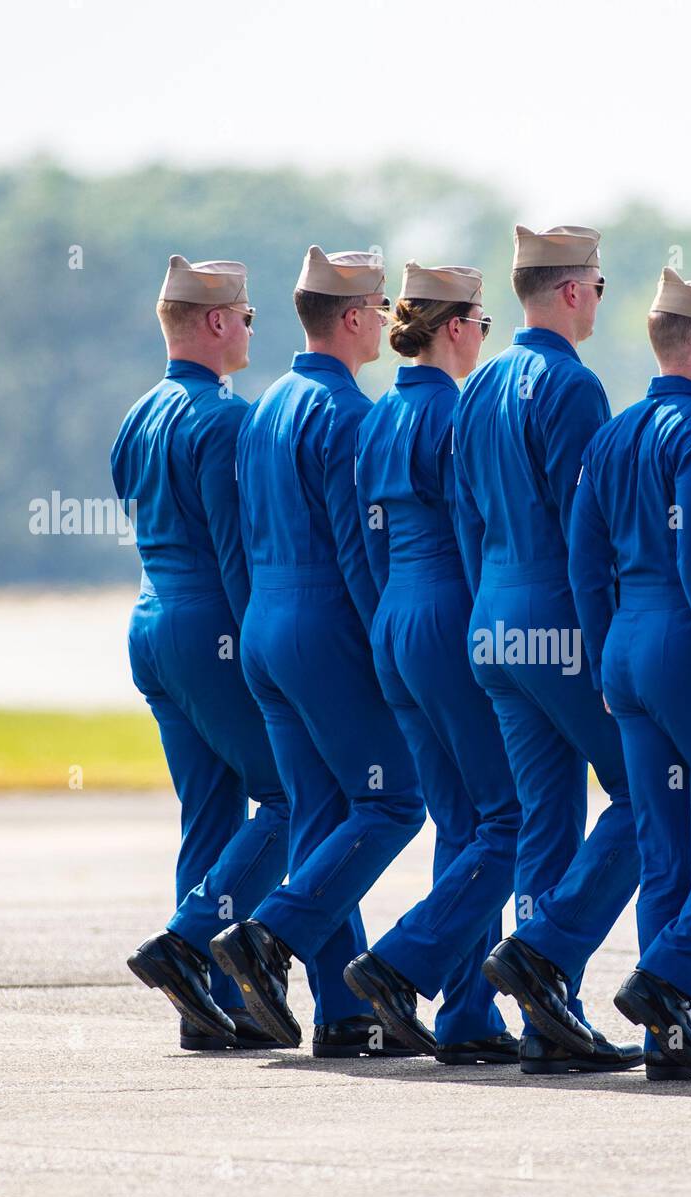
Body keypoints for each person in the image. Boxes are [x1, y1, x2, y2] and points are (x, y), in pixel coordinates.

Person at [208, 247, 427, 1053]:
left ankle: (344, 1014)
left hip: (266, 625)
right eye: (378, 306)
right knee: (395, 801)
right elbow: (359, 551)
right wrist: (387, 649)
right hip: (324, 628)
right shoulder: (349, 414)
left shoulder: (263, 408)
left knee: (322, 814)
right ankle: (271, 936)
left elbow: (241, 536)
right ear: (353, 316)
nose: (385, 321)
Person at [452, 225, 642, 1075]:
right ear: (571, 291)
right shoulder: (571, 386)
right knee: (649, 795)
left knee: (544, 821)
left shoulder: (481, 382)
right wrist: (603, 646)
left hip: (492, 616)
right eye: (598, 286)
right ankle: (547, 952)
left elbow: (466, 519)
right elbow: (583, 532)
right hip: (557, 621)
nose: (600, 300)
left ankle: (545, 1021)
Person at [568, 267, 691, 1082]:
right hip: (685, 643)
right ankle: (668, 979)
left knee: (662, 848)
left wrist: (605, 659)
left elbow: (583, 561)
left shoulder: (611, 433)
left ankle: (671, 1038)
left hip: (624, 648)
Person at [343, 262, 519, 1065]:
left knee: (462, 824)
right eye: (481, 324)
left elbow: (369, 540)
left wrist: (393, 620)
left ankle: (469, 1016)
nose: (484, 339)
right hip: (452, 615)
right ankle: (404, 963)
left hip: (396, 618)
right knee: (509, 819)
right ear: (456, 327)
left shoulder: (378, 416)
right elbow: (479, 530)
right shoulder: (459, 411)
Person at [118, 255, 294, 1051]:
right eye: (248, 317)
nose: (252, 329)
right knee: (299, 795)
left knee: (211, 810)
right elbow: (236, 551)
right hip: (209, 622)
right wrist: (260, 643)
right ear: (218, 322)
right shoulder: (223, 418)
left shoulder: (138, 415)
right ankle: (187, 944)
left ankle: (211, 1007)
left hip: (152, 619)